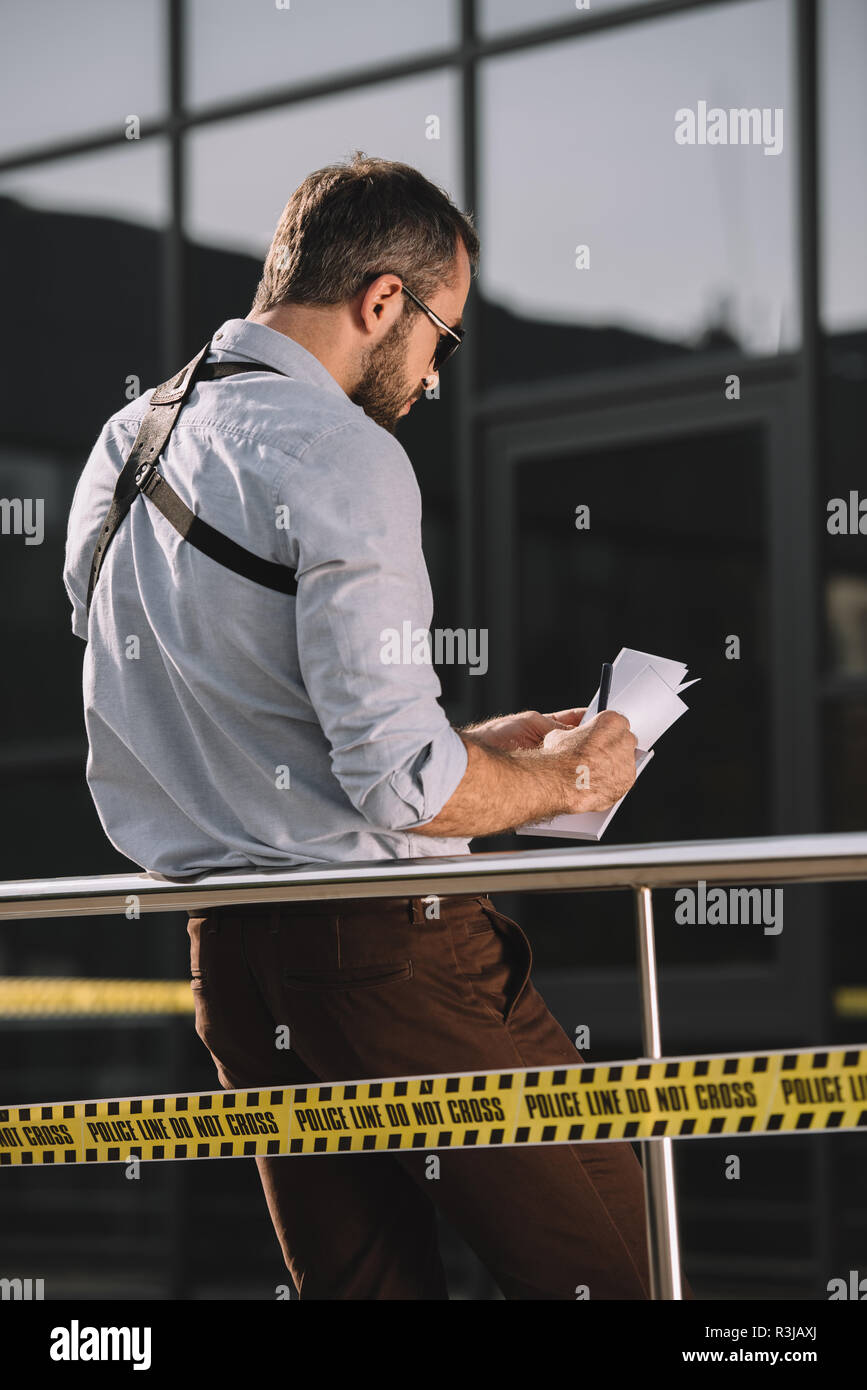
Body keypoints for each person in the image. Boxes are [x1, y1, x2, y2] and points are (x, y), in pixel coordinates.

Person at [63, 151, 661, 1300]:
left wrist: (483, 750)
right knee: (615, 1266)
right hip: (389, 951)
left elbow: (248, 717)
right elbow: (397, 786)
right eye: (444, 333)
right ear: (383, 299)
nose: (435, 374)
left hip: (236, 959)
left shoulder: (124, 444)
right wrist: (568, 778)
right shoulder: (343, 454)